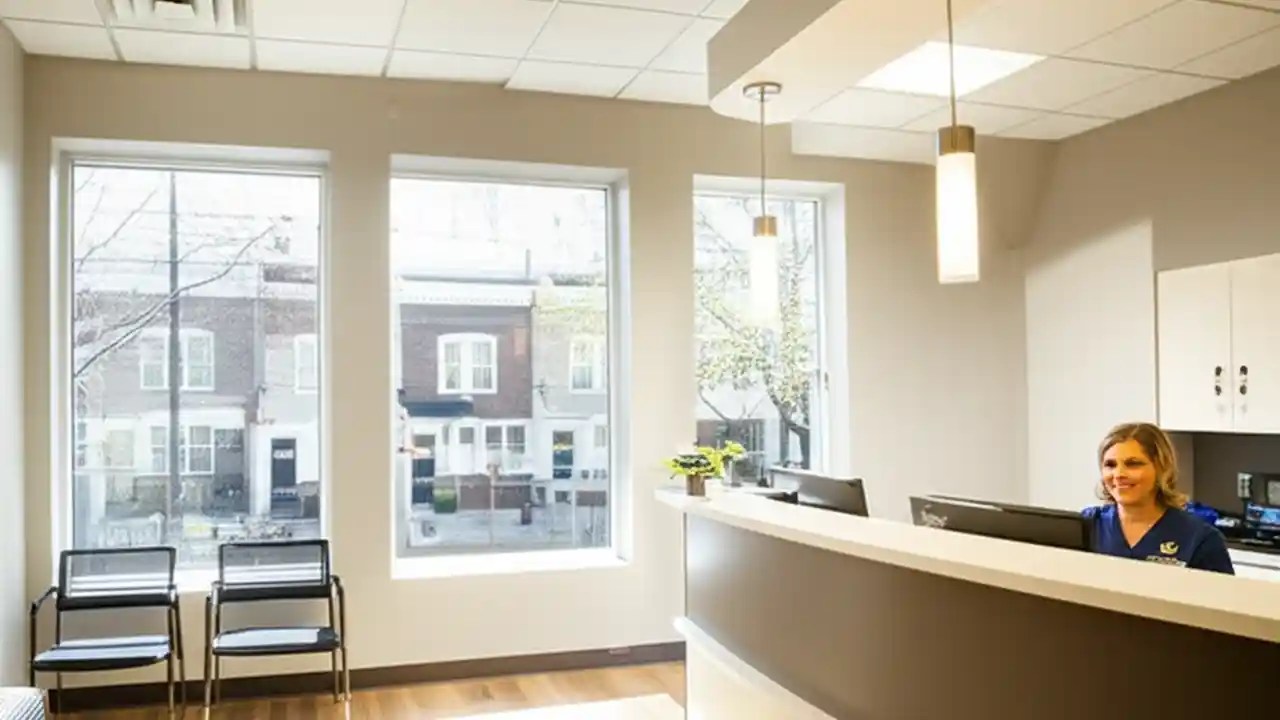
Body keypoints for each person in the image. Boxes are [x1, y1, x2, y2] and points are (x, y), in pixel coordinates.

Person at [1082, 422, 1233, 574]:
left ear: (1162, 468)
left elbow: (1222, 590)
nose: (1119, 474)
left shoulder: (1200, 539)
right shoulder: (1087, 526)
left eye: (1133, 464)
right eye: (1110, 465)